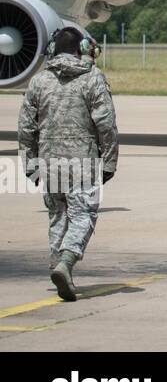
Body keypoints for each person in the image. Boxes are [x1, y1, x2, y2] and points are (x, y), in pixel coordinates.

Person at [16, 27, 118, 301]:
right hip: (82, 161)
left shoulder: (39, 81)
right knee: (83, 215)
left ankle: (56, 261)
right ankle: (67, 261)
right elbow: (105, 124)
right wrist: (109, 161)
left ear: (52, 49)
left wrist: (29, 162)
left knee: (58, 214)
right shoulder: (92, 78)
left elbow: (26, 127)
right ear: (82, 48)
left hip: (49, 162)